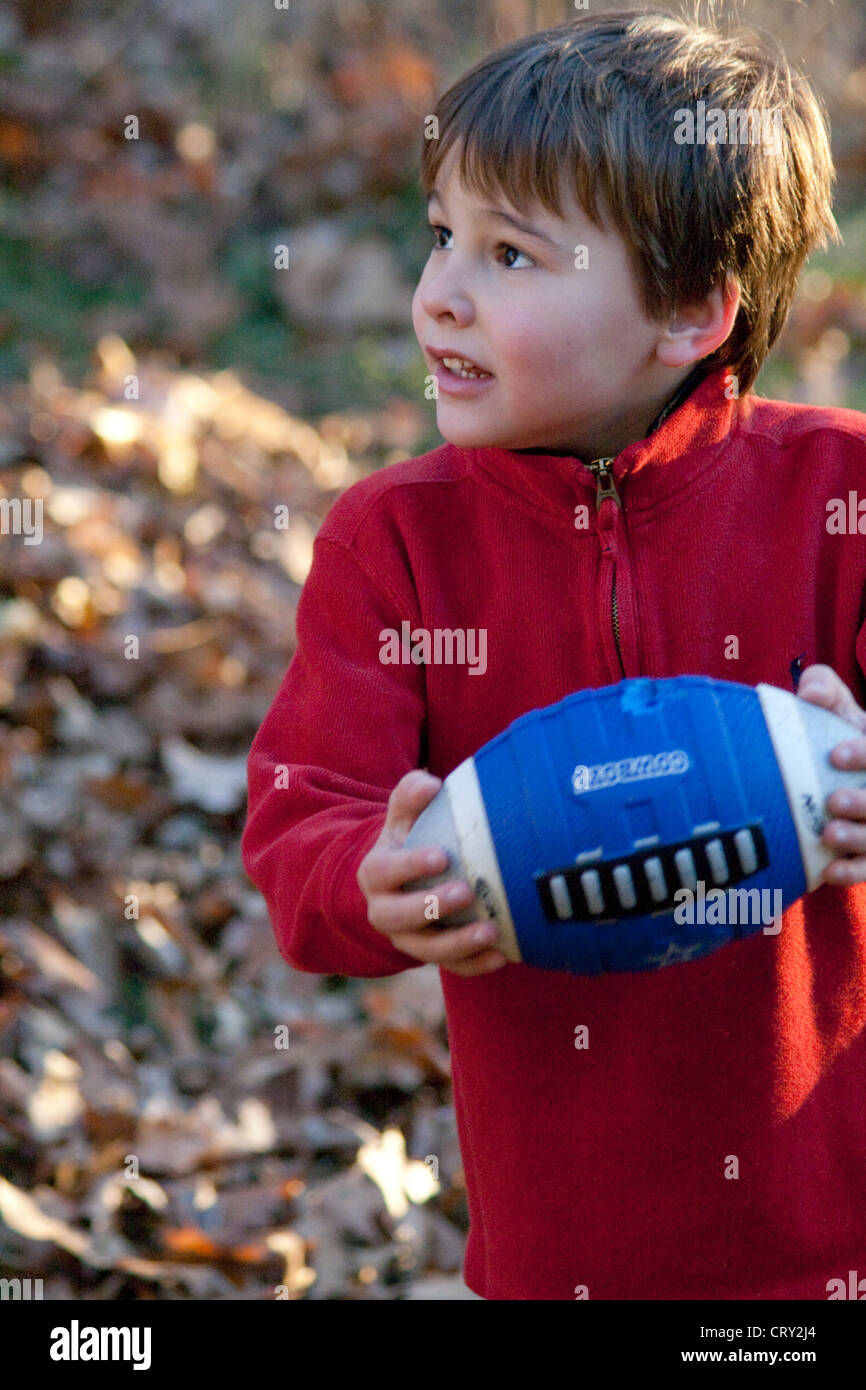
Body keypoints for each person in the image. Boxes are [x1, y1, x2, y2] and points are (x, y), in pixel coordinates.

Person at [242, 10, 866, 1299]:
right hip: (562, 1247)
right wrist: (379, 875)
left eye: (513, 254)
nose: (441, 294)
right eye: (441, 237)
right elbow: (301, 822)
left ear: (692, 308)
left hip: (839, 1229)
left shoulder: (840, 497)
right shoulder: (395, 543)